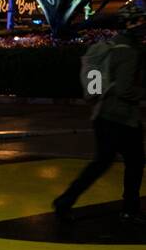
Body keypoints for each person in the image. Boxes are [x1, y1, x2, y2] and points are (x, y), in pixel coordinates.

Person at [54, 18, 145, 226]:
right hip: (122, 118)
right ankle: (130, 210)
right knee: (135, 163)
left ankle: (65, 201)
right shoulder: (129, 53)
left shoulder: (110, 47)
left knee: (102, 163)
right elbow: (124, 89)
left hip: (103, 115)